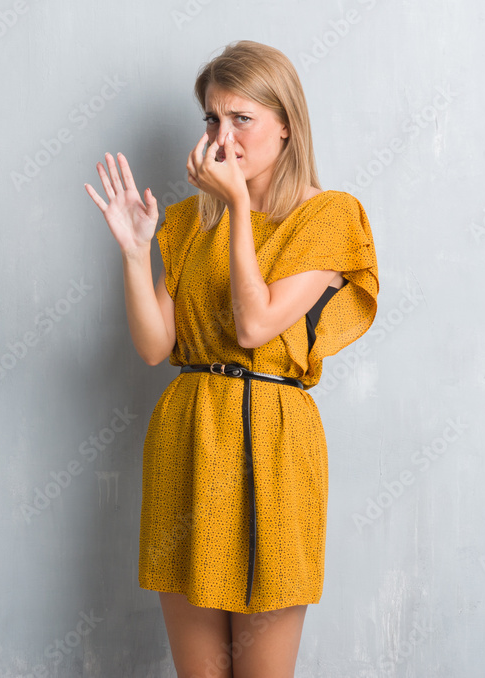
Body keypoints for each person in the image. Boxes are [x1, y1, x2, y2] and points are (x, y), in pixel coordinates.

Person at [84, 40, 378, 677]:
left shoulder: (327, 216)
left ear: (285, 124)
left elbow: (255, 322)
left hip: (274, 443)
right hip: (190, 438)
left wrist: (240, 206)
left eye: (240, 118)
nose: (222, 136)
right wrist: (137, 255)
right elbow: (154, 344)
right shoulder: (190, 223)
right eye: (212, 120)